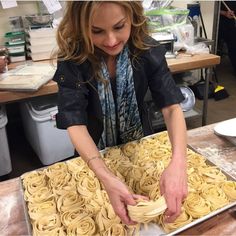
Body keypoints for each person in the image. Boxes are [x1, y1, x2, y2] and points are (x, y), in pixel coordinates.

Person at [53, 1, 188, 225]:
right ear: (81, 25)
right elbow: (75, 122)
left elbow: (172, 107)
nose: (111, 40)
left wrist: (178, 164)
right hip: (93, 151)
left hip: (139, 145)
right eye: (96, 31)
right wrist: (105, 176)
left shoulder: (146, 49)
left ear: (132, 17)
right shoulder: (74, 59)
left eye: (119, 27)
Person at [218, 1, 236, 74]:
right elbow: (211, 9)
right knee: (233, 46)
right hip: (221, 21)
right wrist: (224, 13)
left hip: (232, 20)